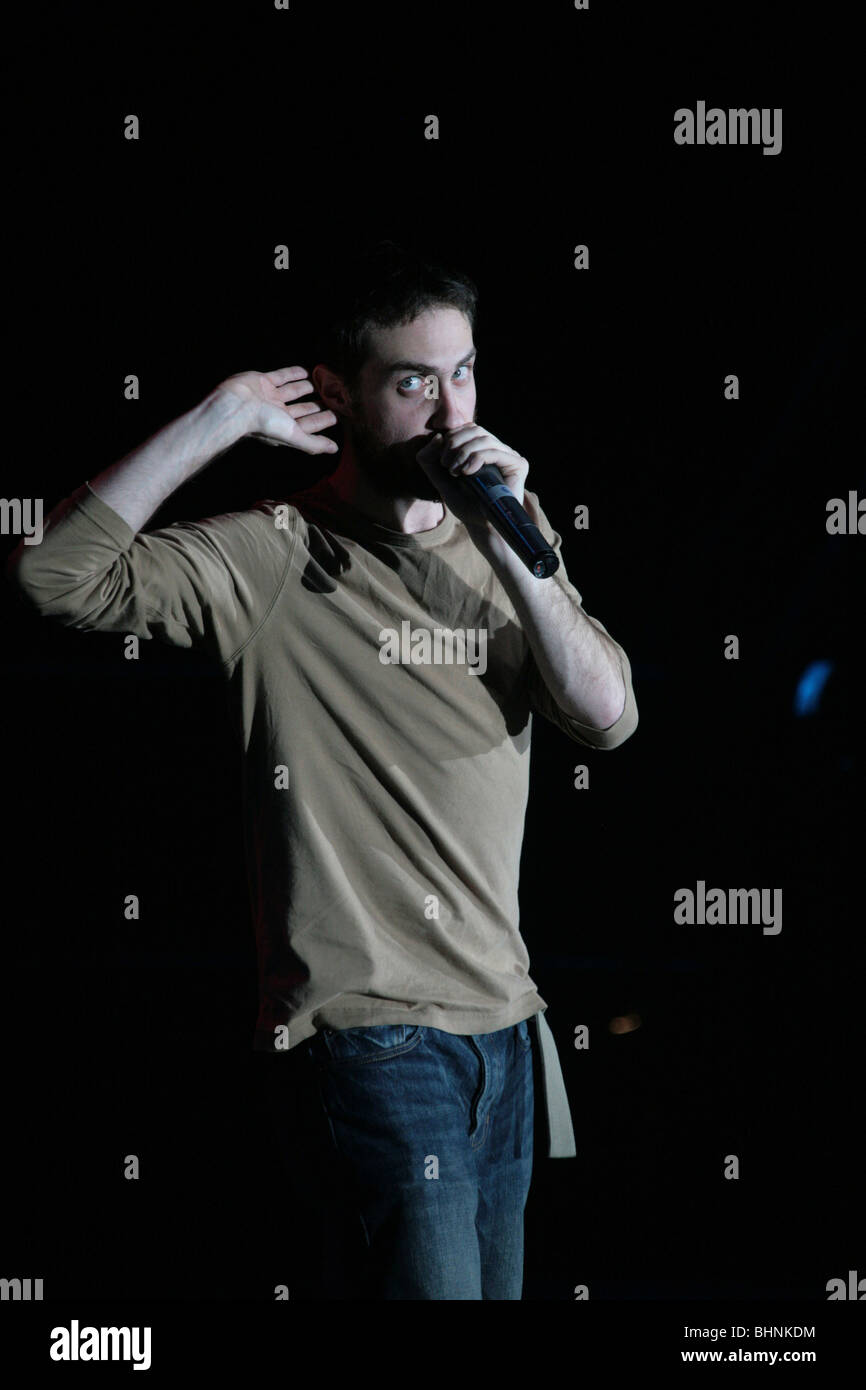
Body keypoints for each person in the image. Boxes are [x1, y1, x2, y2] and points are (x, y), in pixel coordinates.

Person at [6, 241, 638, 1300]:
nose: (449, 413)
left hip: (507, 1024)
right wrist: (219, 418)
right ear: (339, 394)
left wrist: (512, 539)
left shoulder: (509, 541)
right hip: (372, 1033)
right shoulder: (275, 552)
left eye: (463, 373)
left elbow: (606, 716)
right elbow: (50, 573)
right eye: (412, 382)